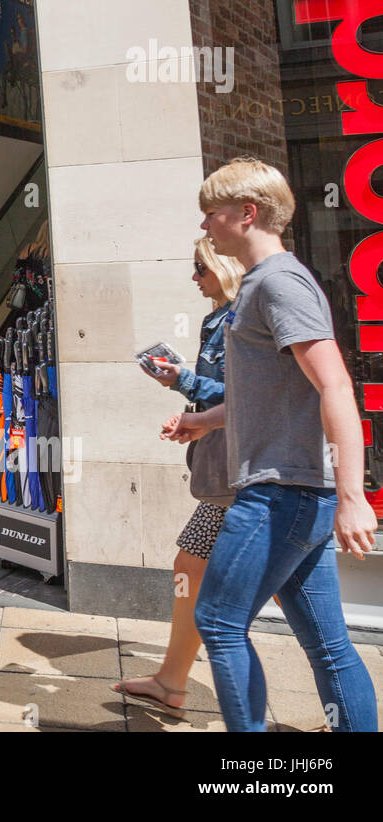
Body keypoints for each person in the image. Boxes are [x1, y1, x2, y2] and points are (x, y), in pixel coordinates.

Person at [162, 157, 377, 732]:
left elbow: (334, 383)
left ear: (246, 215)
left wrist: (354, 495)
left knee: (219, 622)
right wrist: (205, 420)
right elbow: (276, 394)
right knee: (327, 646)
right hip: (295, 493)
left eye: (212, 214)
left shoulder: (278, 282)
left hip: (279, 494)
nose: (205, 227)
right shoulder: (263, 284)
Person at [113, 236, 243, 716]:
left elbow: (245, 395)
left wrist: (182, 381)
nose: (193, 278)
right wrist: (197, 422)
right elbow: (228, 402)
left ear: (224, 268)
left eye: (200, 269)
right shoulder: (218, 318)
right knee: (189, 567)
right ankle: (171, 680)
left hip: (246, 479)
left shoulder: (242, 317)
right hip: (223, 474)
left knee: (285, 604)